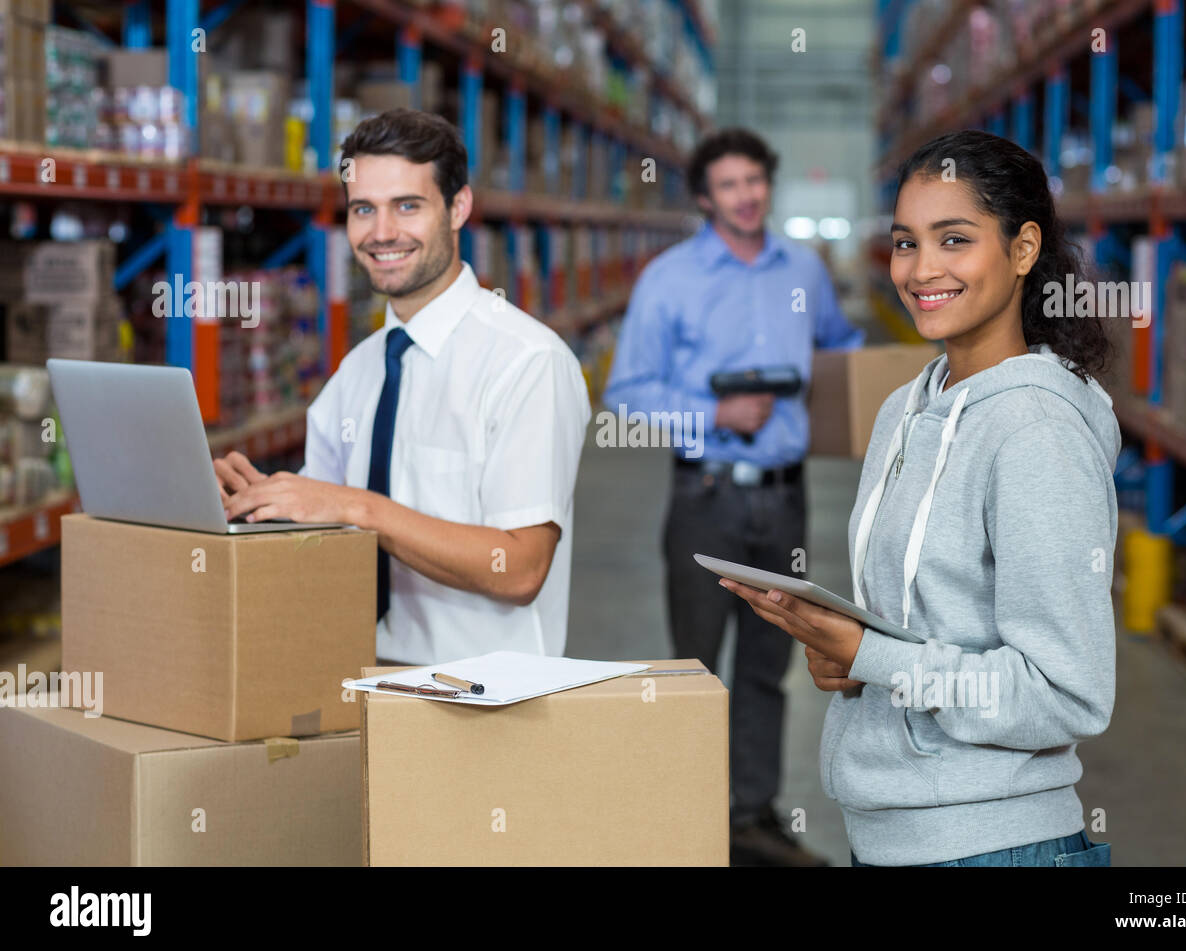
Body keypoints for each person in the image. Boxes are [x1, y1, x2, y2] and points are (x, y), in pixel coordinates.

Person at [719, 129, 1117, 867]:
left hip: (994, 847)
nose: (922, 270)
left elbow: (1067, 693)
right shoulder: (907, 406)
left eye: (954, 240)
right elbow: (929, 633)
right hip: (891, 838)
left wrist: (876, 657)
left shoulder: (1036, 430)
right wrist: (854, 657)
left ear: (1024, 249)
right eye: (906, 243)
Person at [215, 109, 591, 665]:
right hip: (360, 677)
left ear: (458, 208)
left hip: (486, 700)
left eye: (407, 207)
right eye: (363, 209)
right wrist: (259, 507)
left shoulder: (527, 363)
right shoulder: (359, 372)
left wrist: (360, 508)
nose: (382, 233)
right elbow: (329, 538)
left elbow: (520, 569)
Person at [602, 127, 863, 866]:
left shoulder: (804, 269)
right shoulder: (669, 278)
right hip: (705, 495)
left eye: (755, 181)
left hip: (785, 499)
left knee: (767, 667)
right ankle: (688, 819)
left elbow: (841, 348)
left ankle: (752, 815)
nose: (746, 197)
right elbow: (627, 397)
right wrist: (712, 414)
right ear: (705, 197)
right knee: (695, 666)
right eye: (730, 185)